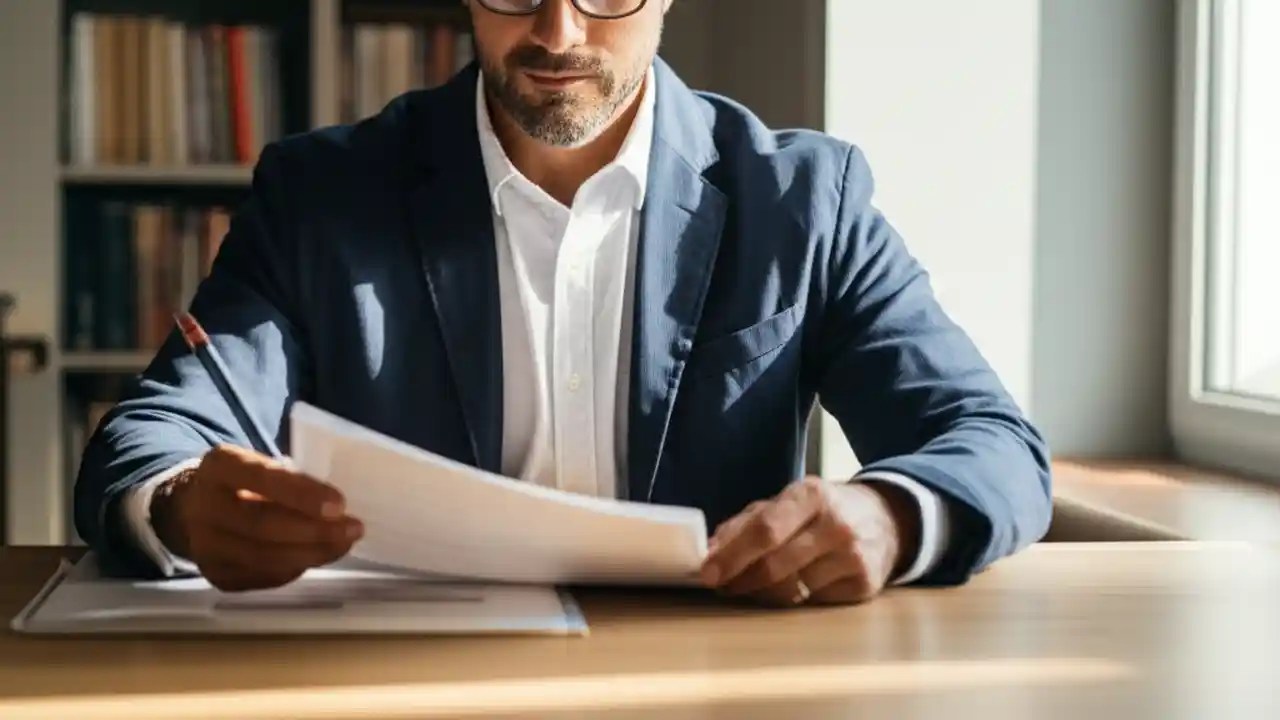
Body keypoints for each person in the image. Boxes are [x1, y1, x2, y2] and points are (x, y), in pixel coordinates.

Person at [75, 0, 1051, 607]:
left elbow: (990, 441)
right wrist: (177, 506)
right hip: (400, 681)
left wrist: (887, 514)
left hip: (710, 682)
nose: (556, 31)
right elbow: (156, 432)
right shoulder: (322, 193)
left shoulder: (801, 199)